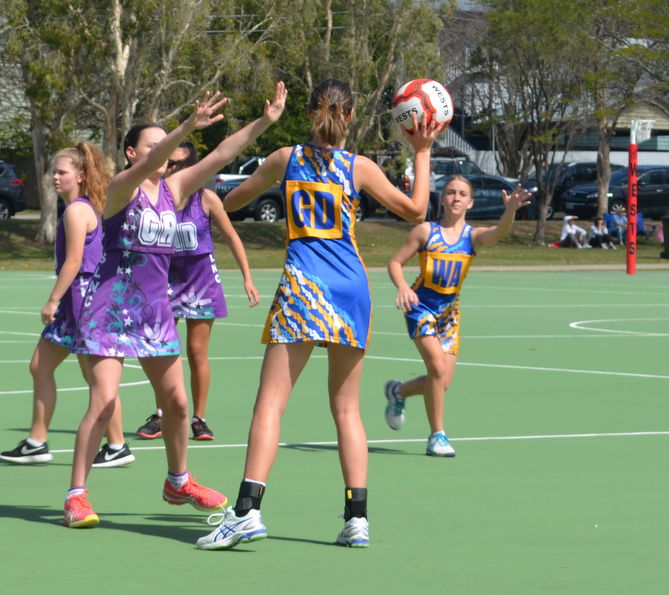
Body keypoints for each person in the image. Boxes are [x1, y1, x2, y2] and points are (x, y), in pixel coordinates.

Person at [195, 78, 442, 551]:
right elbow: (416, 210)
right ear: (350, 117)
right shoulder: (360, 167)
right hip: (351, 290)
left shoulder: (286, 160)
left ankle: (247, 511)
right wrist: (423, 150)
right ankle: (357, 519)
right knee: (347, 408)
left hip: (303, 288)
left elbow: (230, 201)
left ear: (309, 115)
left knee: (270, 404)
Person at [63, 86, 287, 528]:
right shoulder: (121, 189)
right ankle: (76, 496)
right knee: (104, 402)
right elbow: (150, 163)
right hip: (110, 310)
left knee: (179, 406)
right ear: (132, 152)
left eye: (167, 144)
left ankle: (177, 481)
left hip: (155, 314)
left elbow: (222, 153)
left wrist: (267, 122)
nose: (163, 152)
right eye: (152, 143)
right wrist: (186, 124)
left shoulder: (176, 189)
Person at [0, 143, 134, 469]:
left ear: (81, 176)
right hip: (82, 302)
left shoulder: (77, 211)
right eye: (54, 172)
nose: (55, 178)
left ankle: (111, 445)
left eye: (62, 172)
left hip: (82, 302)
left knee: (92, 378)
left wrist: (53, 299)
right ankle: (41, 440)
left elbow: (74, 262)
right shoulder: (81, 207)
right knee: (46, 367)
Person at [383, 175, 530, 457]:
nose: (456, 197)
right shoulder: (425, 232)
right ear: (442, 198)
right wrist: (402, 286)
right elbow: (395, 262)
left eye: (462, 194)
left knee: (442, 381)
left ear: (470, 202)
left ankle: (398, 392)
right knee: (437, 369)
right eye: (450, 192)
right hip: (420, 307)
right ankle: (436, 436)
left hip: (449, 314)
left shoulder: (472, 237)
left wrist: (510, 210)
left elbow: (498, 232)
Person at [134, 141, 260, 441]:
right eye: (169, 163)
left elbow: (231, 238)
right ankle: (162, 413)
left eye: (178, 164)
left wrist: (247, 277)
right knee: (162, 348)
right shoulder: (156, 198)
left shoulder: (206, 199)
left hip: (201, 282)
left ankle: (199, 419)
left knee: (196, 351)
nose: (172, 168)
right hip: (164, 282)